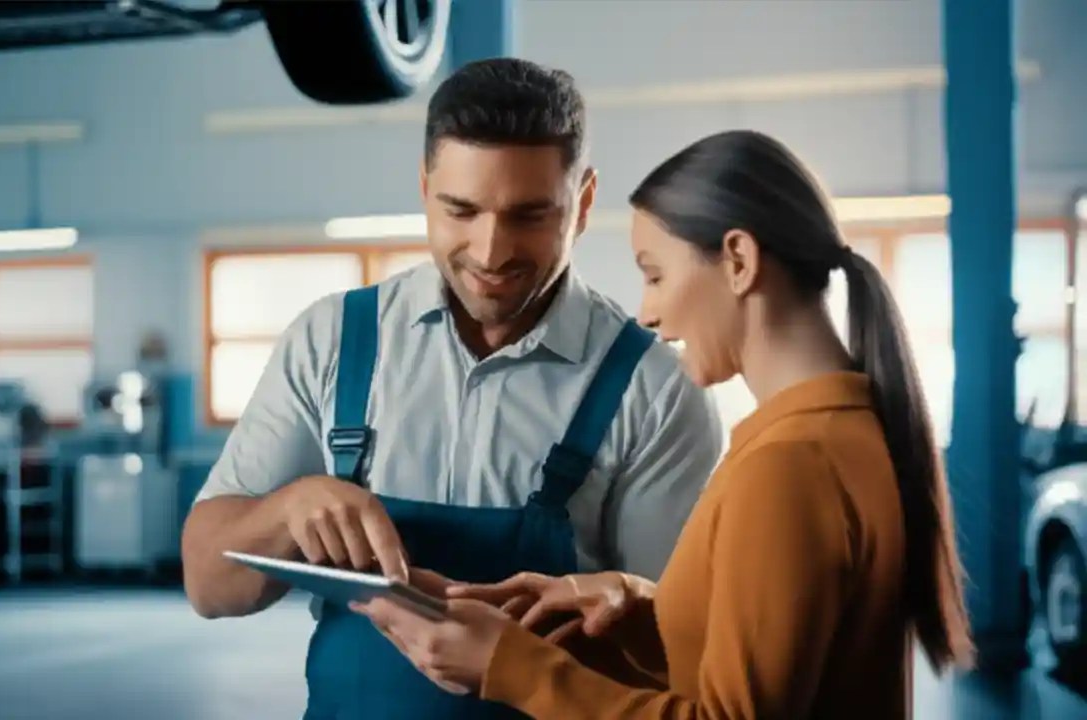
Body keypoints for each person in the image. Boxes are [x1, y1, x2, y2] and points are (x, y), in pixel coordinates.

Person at [351, 129, 975, 719]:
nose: (647, 312)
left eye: (655, 275)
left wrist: (513, 666)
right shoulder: (846, 434)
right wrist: (633, 608)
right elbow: (786, 658)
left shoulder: (789, 465)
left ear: (737, 259)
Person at [180, 58, 723, 718]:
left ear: (581, 203)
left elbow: (685, 659)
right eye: (461, 210)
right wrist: (292, 507)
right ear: (424, 186)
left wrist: (529, 656)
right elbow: (210, 586)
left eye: (530, 215)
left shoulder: (655, 389)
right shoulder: (331, 340)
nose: (491, 251)